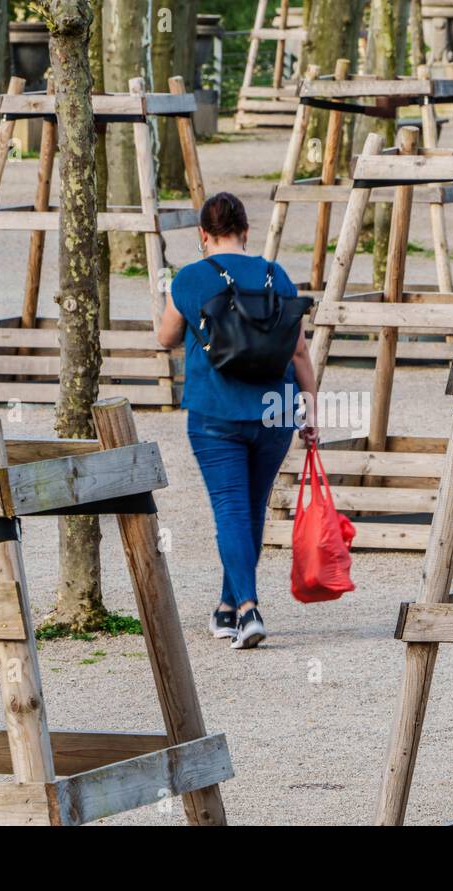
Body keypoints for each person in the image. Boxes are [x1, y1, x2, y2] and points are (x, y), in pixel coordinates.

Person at [157, 192, 318, 650]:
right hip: (276, 411)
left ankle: (248, 610)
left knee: (231, 508)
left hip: (215, 413)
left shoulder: (189, 279)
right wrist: (311, 410)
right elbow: (300, 351)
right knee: (251, 509)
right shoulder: (276, 275)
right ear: (246, 231)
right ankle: (227, 609)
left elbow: (165, 338)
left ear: (202, 235)